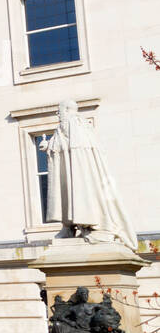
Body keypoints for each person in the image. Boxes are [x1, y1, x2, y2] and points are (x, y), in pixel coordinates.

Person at [39, 101, 136, 247]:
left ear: (67, 110)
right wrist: (48, 147)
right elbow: (63, 148)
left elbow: (75, 153)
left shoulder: (75, 125)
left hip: (79, 174)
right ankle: (69, 225)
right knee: (67, 192)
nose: (57, 114)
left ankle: (88, 224)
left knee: (78, 191)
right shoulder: (66, 127)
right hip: (70, 172)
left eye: (59, 111)